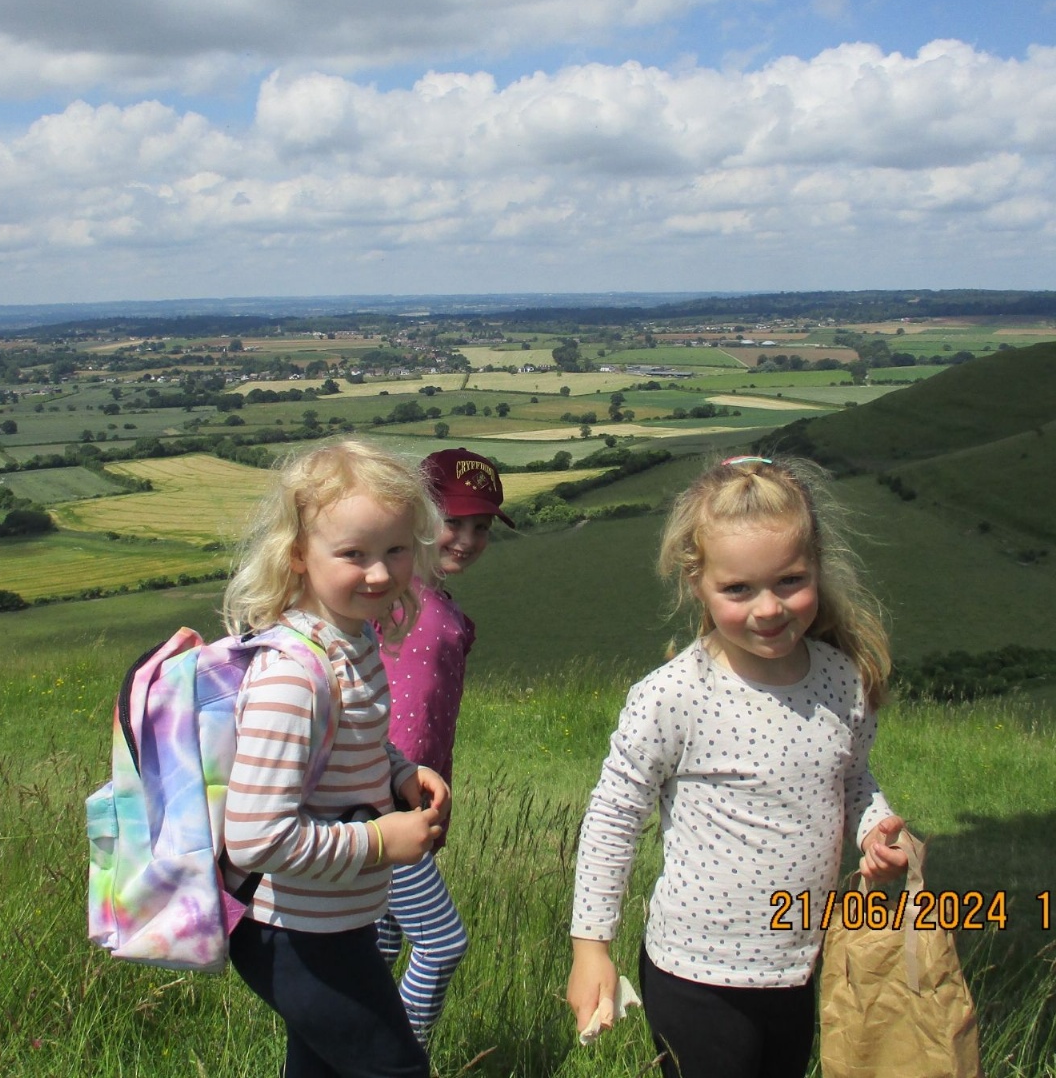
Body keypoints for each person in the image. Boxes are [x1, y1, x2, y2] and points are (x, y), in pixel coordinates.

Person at [566, 454, 908, 1078]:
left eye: (789, 581)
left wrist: (877, 832)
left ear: (817, 569)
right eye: (738, 589)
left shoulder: (841, 680)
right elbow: (613, 820)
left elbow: (853, 780)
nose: (769, 608)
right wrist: (592, 948)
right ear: (696, 582)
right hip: (696, 971)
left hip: (803, 961)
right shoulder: (675, 696)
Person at [221, 440, 452, 1078]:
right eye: (353, 554)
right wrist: (378, 841)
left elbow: (355, 738)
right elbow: (254, 839)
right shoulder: (294, 677)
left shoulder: (348, 641)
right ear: (297, 553)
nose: (379, 574)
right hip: (293, 932)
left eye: (395, 550)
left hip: (331, 920)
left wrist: (401, 772)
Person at [376, 448, 514, 1044]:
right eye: (452, 522)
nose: (466, 538)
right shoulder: (390, 600)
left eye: (481, 527)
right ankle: (398, 1061)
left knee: (375, 947)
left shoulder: (434, 605)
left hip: (403, 802)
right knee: (440, 942)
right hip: (379, 804)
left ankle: (349, 1054)